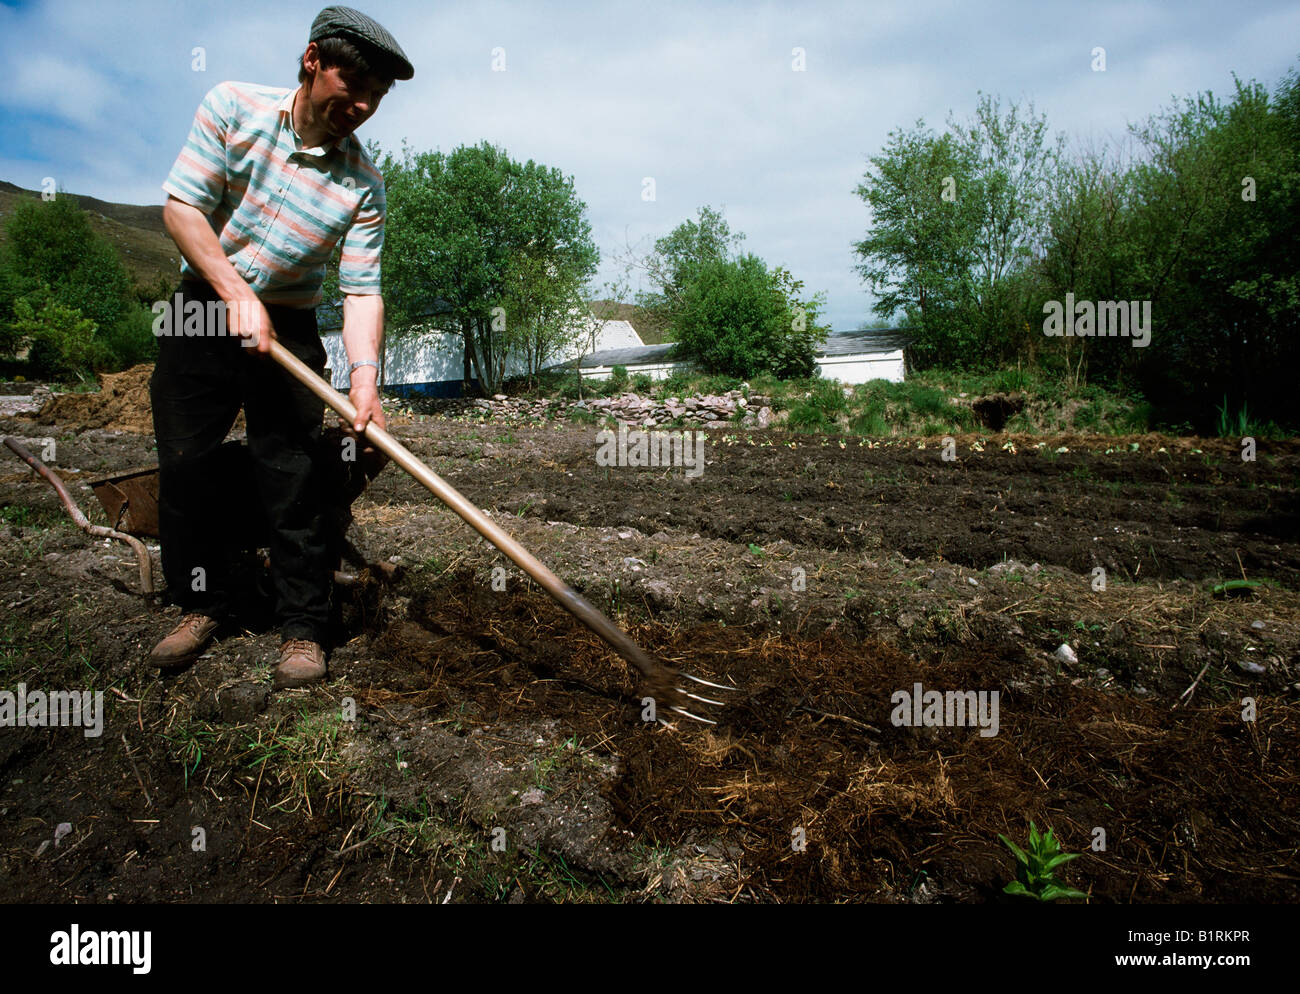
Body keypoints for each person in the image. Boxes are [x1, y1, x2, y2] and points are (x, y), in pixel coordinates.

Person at [147, 6, 413, 688]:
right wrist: (234, 290)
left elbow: (360, 293)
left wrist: (364, 382)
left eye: (374, 97)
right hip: (202, 310)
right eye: (349, 84)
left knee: (292, 475)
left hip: (289, 324)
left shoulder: (364, 184)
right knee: (186, 467)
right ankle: (201, 604)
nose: (358, 104)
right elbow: (181, 208)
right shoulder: (232, 107)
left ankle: (303, 627)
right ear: (310, 62)